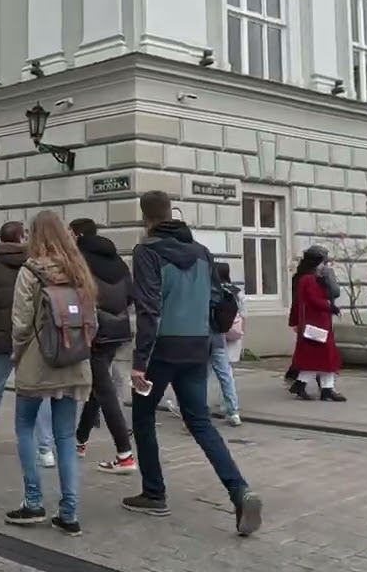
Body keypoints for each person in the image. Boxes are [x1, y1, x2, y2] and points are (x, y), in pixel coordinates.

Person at [121, 191, 262, 536]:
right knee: (200, 423)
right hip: (198, 346)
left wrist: (139, 360)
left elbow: (149, 308)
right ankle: (239, 490)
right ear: (173, 213)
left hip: (161, 349)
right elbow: (216, 298)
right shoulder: (202, 253)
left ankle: (154, 492)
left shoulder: (147, 252)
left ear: (146, 218)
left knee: (142, 416)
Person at [3, 211, 94, 535]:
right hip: (73, 361)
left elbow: (21, 323)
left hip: (37, 362)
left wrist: (17, 356)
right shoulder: (78, 270)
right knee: (66, 437)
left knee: (25, 427)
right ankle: (69, 513)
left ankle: (33, 502)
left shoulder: (31, 270)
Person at [0, 221, 56, 466]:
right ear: (20, 237)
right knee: (38, 390)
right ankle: (46, 450)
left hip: (3, 335)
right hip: (32, 337)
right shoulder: (35, 262)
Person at [68, 218, 138, 469]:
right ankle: (80, 440)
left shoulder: (79, 261)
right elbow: (131, 295)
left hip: (94, 331)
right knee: (99, 387)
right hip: (118, 331)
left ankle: (124, 454)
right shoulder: (117, 260)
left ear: (76, 235)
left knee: (104, 390)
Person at [288, 248, 346, 401]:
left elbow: (297, 302)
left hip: (314, 322)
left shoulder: (303, 278)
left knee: (320, 357)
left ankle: (320, 387)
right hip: (317, 322)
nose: (323, 266)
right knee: (324, 357)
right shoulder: (309, 279)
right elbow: (314, 300)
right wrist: (330, 307)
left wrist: (294, 321)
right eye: (322, 262)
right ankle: (309, 386)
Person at [211, 262, 244, 426]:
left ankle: (198, 411)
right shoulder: (233, 292)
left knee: (199, 376)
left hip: (203, 336)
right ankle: (233, 411)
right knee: (226, 374)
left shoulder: (209, 290)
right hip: (219, 336)